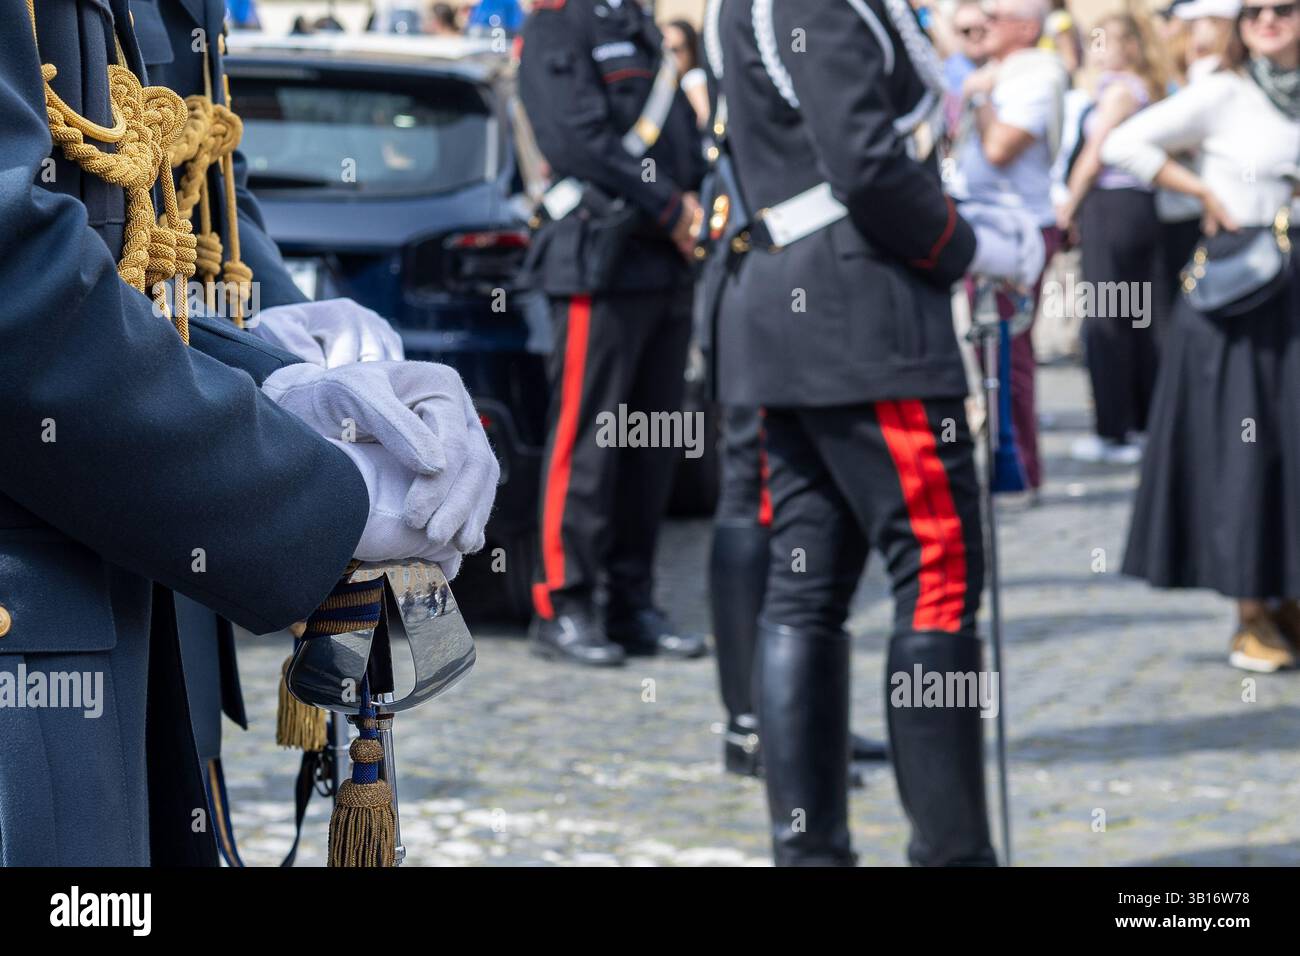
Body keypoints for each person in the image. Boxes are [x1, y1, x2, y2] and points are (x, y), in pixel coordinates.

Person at [0, 0, 496, 865]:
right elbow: (18, 287)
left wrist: (288, 357)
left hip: (136, 594)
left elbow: (188, 191)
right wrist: (317, 488)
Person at [712, 0, 1037, 865]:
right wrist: (968, 249)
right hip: (861, 323)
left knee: (805, 592)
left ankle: (813, 855)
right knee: (936, 575)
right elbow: (863, 162)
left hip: (797, 314)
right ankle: (952, 856)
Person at [1105, 0, 1300, 672]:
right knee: (1246, 447)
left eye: (1285, 9)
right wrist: (1203, 194)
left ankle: (1290, 595)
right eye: (1256, 12)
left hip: (1297, 291)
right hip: (1240, 294)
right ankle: (1250, 609)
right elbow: (1122, 143)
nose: (1269, 21)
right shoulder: (1225, 92)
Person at [519, 0, 707, 667]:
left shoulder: (637, 24)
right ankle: (563, 603)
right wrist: (670, 206)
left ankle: (632, 602)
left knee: (650, 447)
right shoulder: (558, 21)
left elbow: (678, 135)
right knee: (588, 445)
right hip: (597, 260)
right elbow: (575, 139)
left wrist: (695, 201)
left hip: (661, 263)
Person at [952, 0, 1067, 498]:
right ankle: (1004, 461)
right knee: (986, 350)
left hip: (1016, 232)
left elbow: (1000, 148)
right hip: (985, 226)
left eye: (992, 17)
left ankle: (1018, 468)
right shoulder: (1001, 70)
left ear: (1025, 27)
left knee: (1008, 353)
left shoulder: (1037, 75)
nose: (981, 25)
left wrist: (980, 99)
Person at [1056, 14, 1167, 465]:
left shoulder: (1121, 91)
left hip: (1112, 205)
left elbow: (1094, 153)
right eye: (1092, 43)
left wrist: (1067, 206)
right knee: (1134, 315)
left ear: (1132, 48)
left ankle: (1116, 429)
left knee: (1107, 314)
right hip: (1132, 209)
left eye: (1104, 43)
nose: (1096, 52)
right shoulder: (1135, 88)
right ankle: (1136, 423)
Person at [664, 19, 711, 128]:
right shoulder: (670, 84)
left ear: (690, 50)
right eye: (665, 50)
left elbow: (705, 119)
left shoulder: (693, 79)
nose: (670, 57)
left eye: (675, 50)